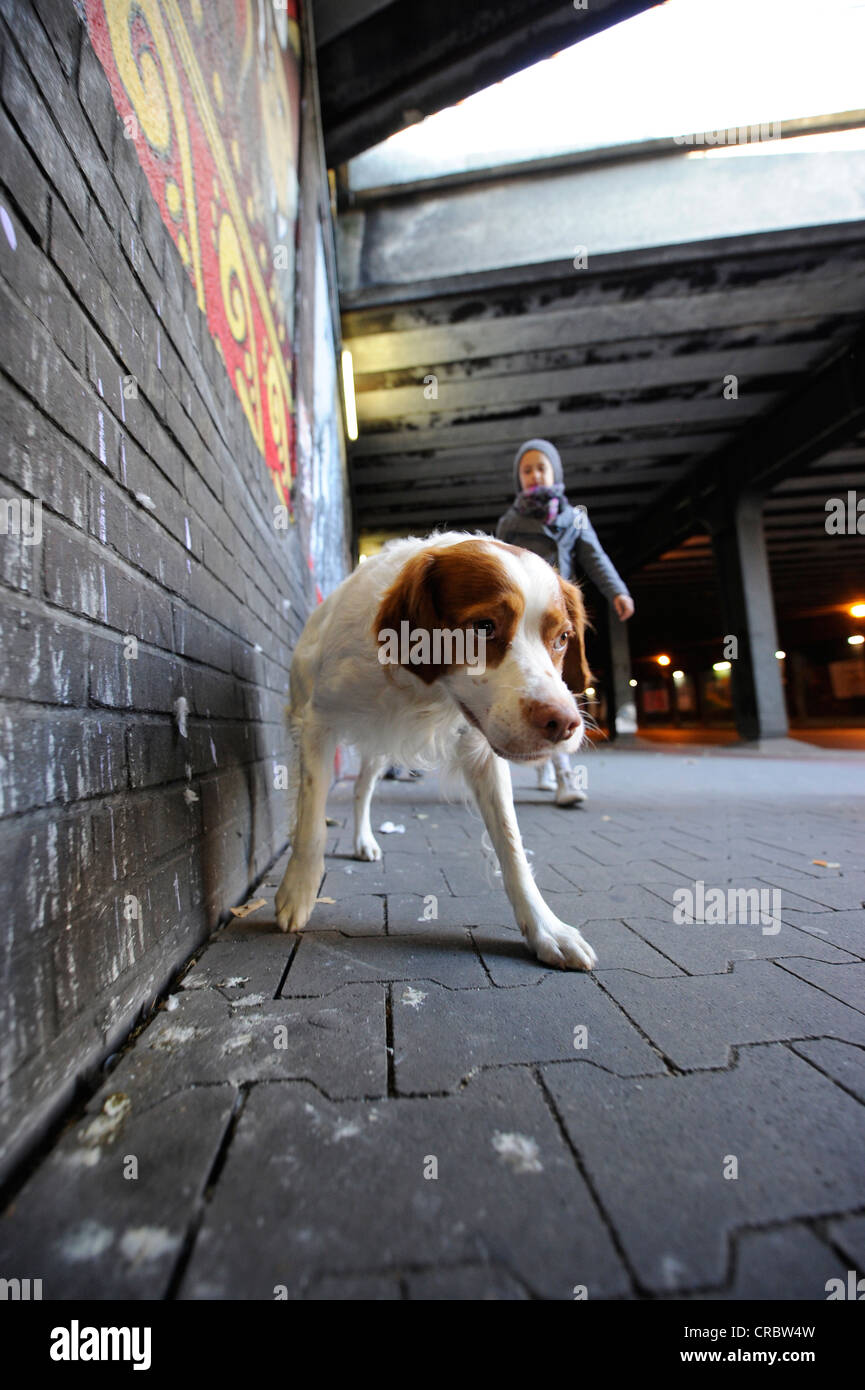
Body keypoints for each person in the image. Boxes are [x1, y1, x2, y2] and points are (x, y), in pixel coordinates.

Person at [496, 439, 634, 806]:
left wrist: (618, 592)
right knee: (538, 685)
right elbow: (498, 565)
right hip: (525, 618)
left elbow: (596, 557)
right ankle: (557, 771)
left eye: (541, 467)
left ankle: (561, 774)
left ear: (554, 472)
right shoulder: (511, 520)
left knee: (561, 685)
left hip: (557, 618)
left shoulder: (574, 517)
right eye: (527, 469)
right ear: (519, 478)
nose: (535, 474)